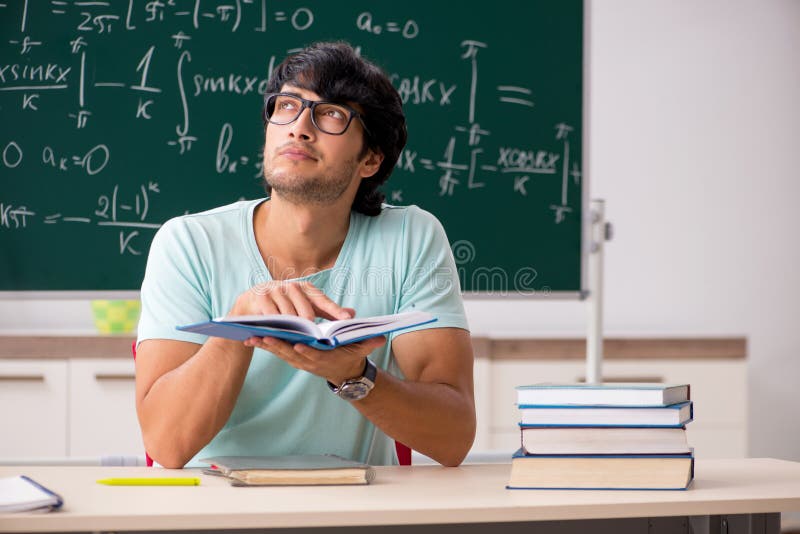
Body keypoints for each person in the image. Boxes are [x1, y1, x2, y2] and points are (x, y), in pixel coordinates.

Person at [135, 41, 475, 469]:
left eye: (331, 114)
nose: (299, 127)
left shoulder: (410, 236)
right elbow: (168, 444)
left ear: (370, 158)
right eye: (287, 106)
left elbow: (453, 438)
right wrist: (238, 325)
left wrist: (354, 376)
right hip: (216, 510)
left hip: (354, 510)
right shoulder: (187, 242)